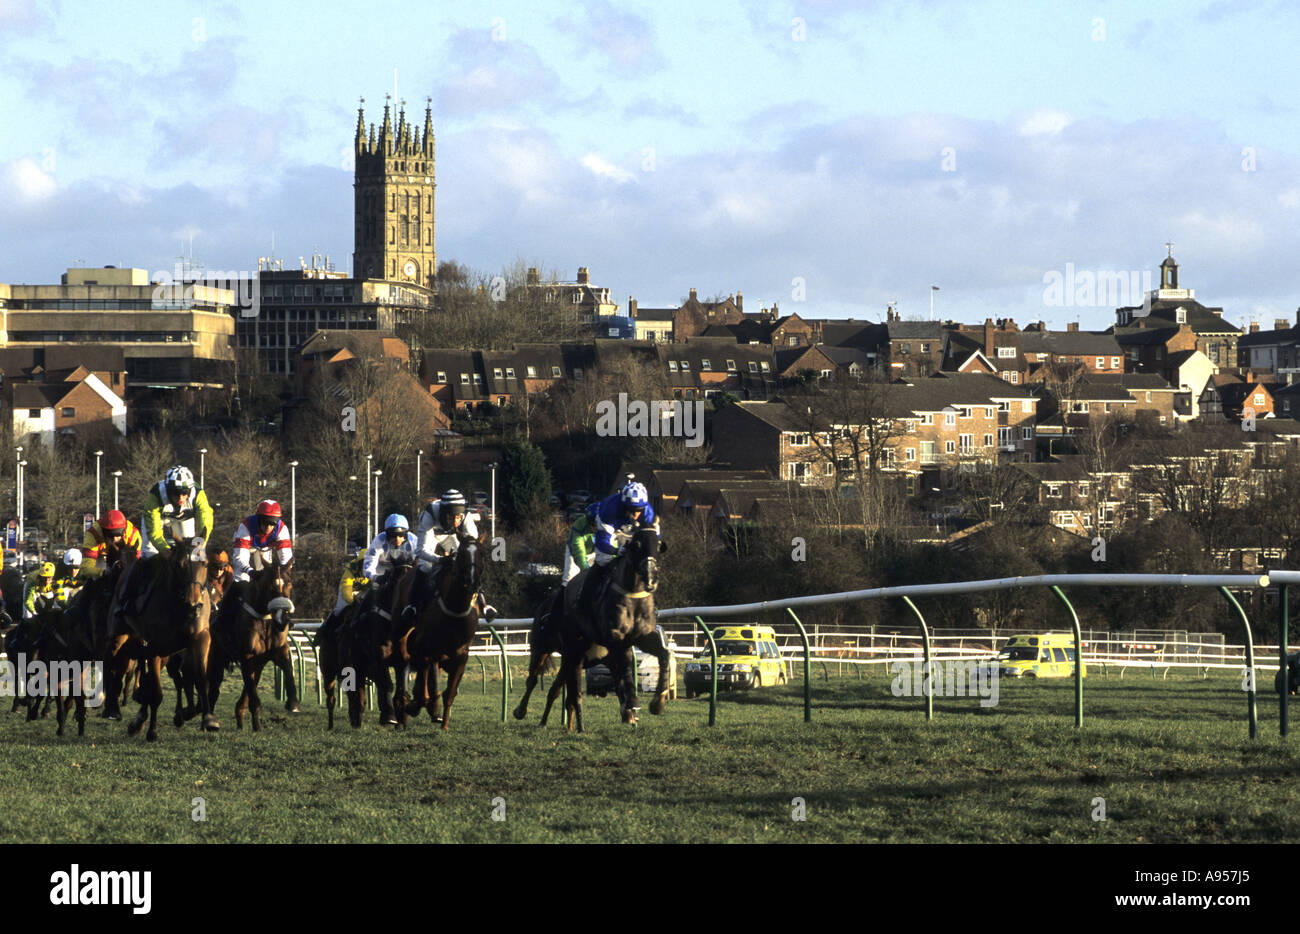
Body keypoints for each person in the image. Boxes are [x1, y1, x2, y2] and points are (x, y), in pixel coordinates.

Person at [113, 464, 213, 634]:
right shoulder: (156, 495)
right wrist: (164, 550)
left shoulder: (199, 495)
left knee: (194, 559)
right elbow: (154, 531)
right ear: (168, 490)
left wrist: (198, 544)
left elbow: (205, 521)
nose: (181, 497)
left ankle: (207, 599)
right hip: (158, 522)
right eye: (176, 493)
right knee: (148, 557)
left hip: (184, 521)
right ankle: (126, 600)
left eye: (184, 493)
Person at [575, 477, 660, 615]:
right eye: (632, 510)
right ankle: (584, 599)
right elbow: (602, 543)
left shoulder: (648, 513)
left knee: (647, 564)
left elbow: (653, 539)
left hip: (631, 530)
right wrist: (616, 550)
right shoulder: (609, 509)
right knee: (603, 561)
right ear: (624, 505)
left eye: (639, 510)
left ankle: (652, 603)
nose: (636, 514)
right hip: (611, 529)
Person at [402, 489, 481, 624]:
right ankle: (412, 606)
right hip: (431, 534)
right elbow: (421, 551)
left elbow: (472, 543)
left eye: (458, 517)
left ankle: (483, 603)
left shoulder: (466, 516)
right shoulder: (430, 514)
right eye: (451, 517)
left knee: (468, 563)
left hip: (450, 536)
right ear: (444, 513)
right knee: (425, 566)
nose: (455, 522)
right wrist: (439, 559)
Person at [82, 509, 142, 578]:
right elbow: (86, 568)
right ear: (103, 532)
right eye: (111, 536)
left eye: (118, 535)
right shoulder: (93, 534)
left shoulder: (133, 534)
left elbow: (136, 562)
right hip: (100, 557)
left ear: (123, 530)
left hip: (124, 553)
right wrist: (103, 573)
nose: (114, 539)